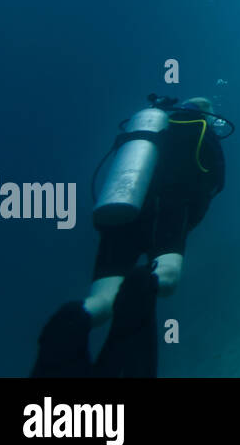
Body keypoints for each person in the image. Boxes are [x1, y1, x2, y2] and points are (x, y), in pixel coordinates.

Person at [31, 96, 227, 377]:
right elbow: (214, 183)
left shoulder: (148, 134)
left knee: (101, 302)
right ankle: (138, 287)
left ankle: (69, 322)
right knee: (166, 279)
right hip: (169, 209)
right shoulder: (201, 131)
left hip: (120, 214)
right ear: (206, 115)